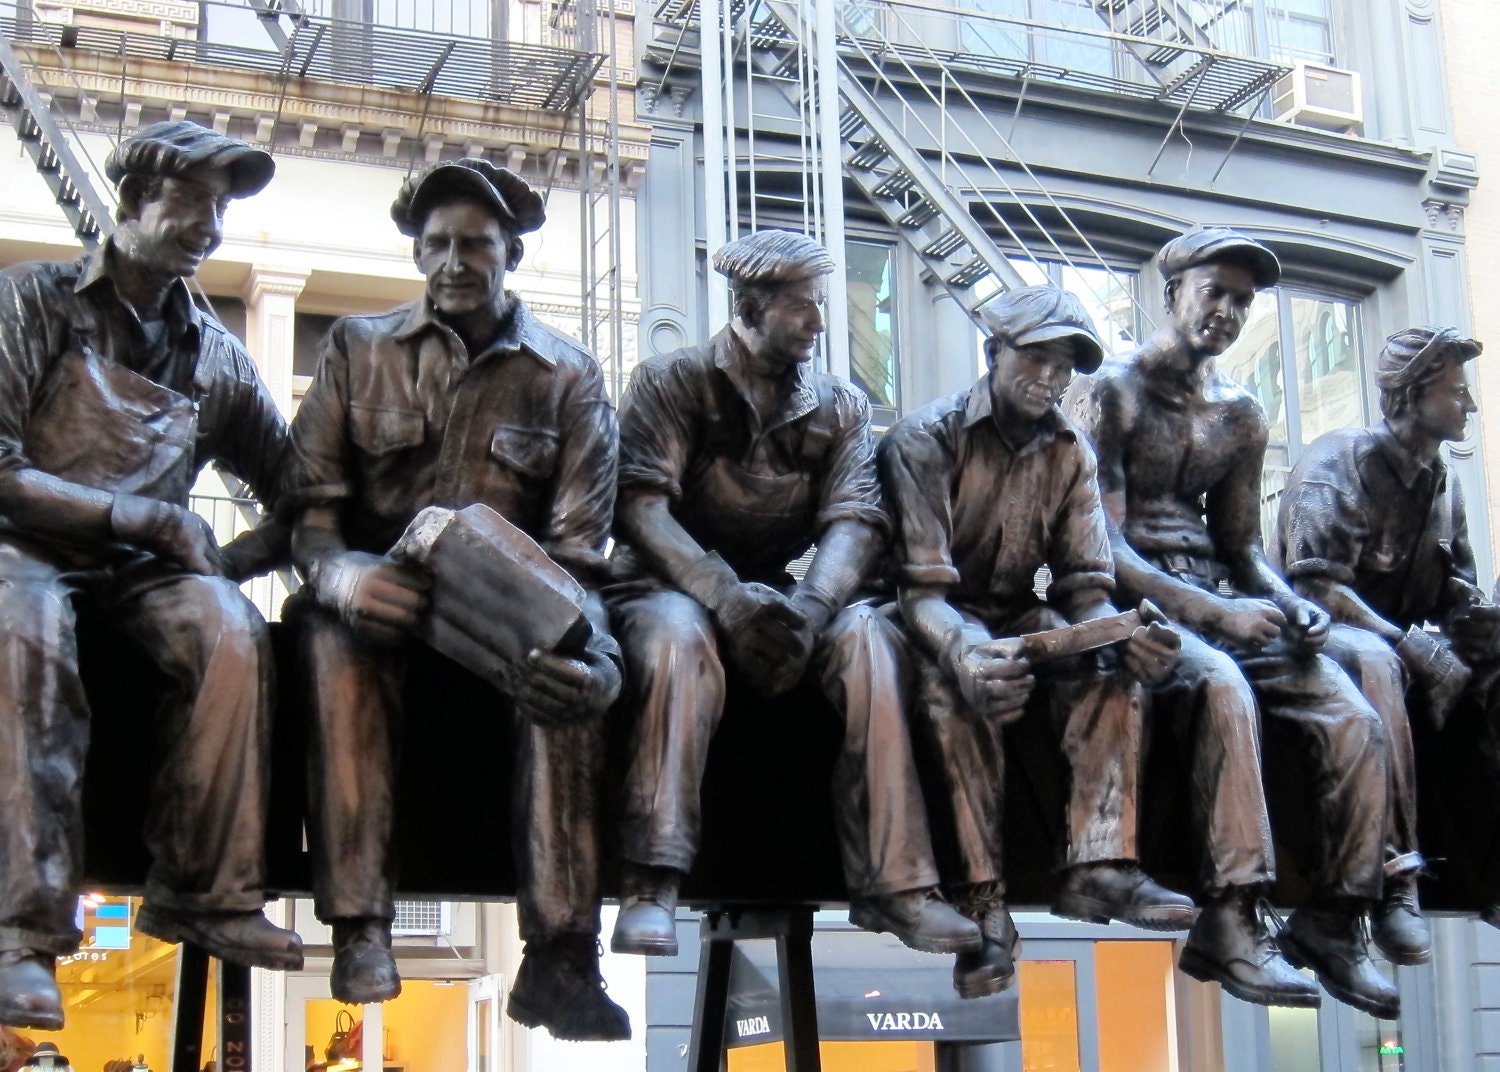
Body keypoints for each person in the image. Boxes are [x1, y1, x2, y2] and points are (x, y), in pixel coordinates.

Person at [285, 159, 628, 1041]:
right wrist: (344, 576)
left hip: (503, 616)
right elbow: (310, 522)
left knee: (564, 677)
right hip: (380, 604)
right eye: (436, 243)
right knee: (334, 639)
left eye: (475, 244)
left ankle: (562, 957)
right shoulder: (356, 350)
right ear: (416, 252)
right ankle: (362, 927)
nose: (453, 261)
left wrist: (595, 657)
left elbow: (578, 559)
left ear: (510, 253)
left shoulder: (568, 375)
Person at [879, 284, 1281, 1000]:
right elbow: (922, 592)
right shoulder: (925, 438)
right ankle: (983, 903)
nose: (1052, 378)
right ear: (994, 352)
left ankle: (1099, 866)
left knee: (1108, 666)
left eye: (1065, 366)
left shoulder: (1070, 450)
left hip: (1019, 615)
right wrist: (966, 651)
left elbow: (1086, 585)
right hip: (934, 621)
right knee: (953, 696)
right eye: (1038, 359)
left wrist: (1119, 636)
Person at [606, 230, 981, 974]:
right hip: (665, 584)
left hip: (780, 595)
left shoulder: (841, 405)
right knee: (678, 637)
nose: (818, 321)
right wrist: (725, 599)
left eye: (820, 305)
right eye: (803, 306)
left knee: (871, 635)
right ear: (751, 308)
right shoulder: (671, 382)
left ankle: (897, 882)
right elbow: (642, 509)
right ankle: (653, 877)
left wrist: (810, 613)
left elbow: (856, 521)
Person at [0, 121, 302, 1032]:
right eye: (194, 202)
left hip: (147, 574)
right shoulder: (34, 301)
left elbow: (297, 494)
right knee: (23, 631)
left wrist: (230, 561)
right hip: (26, 547)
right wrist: (141, 516)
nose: (210, 226)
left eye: (221, 209)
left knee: (231, 629)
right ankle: (22, 934)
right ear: (135, 200)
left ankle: (206, 892)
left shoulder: (216, 355)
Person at [1065, 227, 1397, 1018]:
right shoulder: (1112, 392)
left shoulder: (1240, 413)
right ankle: (1233, 916)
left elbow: (1243, 547)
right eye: (1213, 292)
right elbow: (1099, 545)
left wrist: (1291, 604)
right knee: (1222, 686)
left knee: (1355, 717)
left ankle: (1338, 918)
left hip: (1222, 594)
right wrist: (1217, 613)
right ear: (1172, 292)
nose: (1227, 311)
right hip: (1141, 604)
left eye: (1242, 302)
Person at [1277, 325, 1497, 937]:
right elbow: (1313, 587)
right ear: (1412, 394)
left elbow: (1456, 588)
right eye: (1456, 391)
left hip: (1401, 647)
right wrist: (1408, 645)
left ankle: (1487, 869)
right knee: (1380, 661)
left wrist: (1475, 622)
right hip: (1314, 643)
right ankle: (1395, 878)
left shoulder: (1443, 483)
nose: (1469, 405)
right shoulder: (1338, 461)